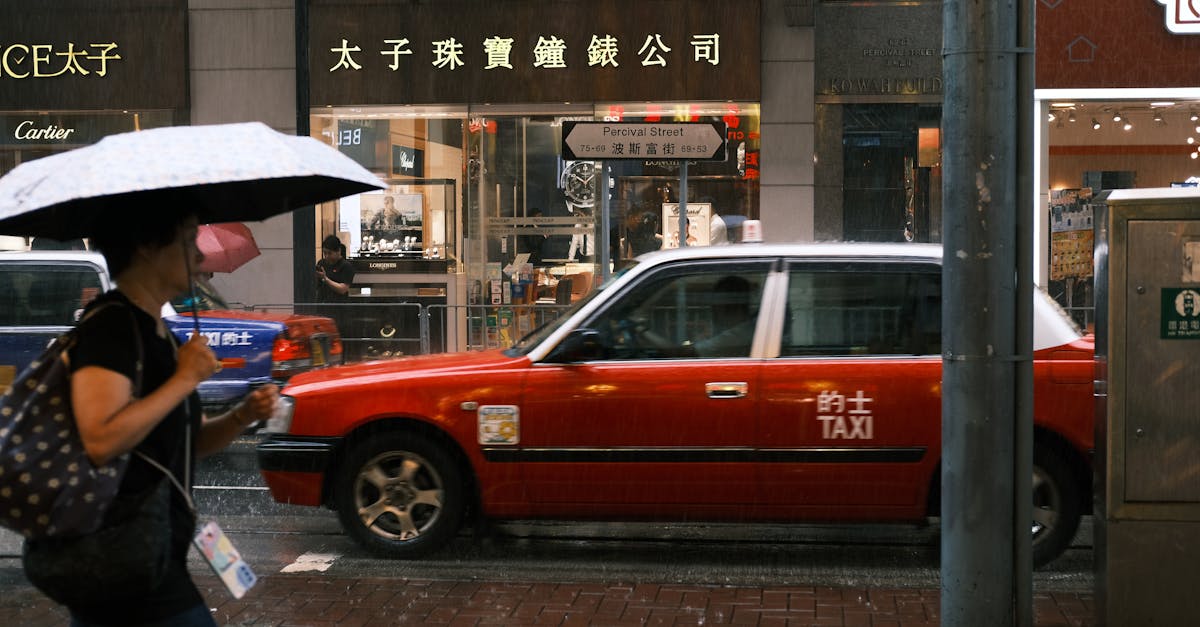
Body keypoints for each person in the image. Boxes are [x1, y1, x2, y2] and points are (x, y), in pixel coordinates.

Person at [23, 209, 278, 626]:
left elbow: (182, 443)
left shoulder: (156, 329)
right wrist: (185, 378)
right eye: (189, 239)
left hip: (151, 554)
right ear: (146, 247)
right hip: (118, 554)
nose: (200, 256)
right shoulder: (112, 328)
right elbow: (100, 439)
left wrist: (241, 416)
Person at [693, 275, 757, 357]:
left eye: (718, 301)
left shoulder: (745, 331)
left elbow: (697, 350)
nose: (714, 307)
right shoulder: (741, 328)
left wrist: (700, 341)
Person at [315, 235, 355, 302]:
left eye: (330, 253)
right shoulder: (322, 263)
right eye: (325, 253)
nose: (327, 256)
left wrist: (325, 279)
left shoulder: (346, 266)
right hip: (322, 304)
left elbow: (343, 289)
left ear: (338, 251)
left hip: (338, 306)